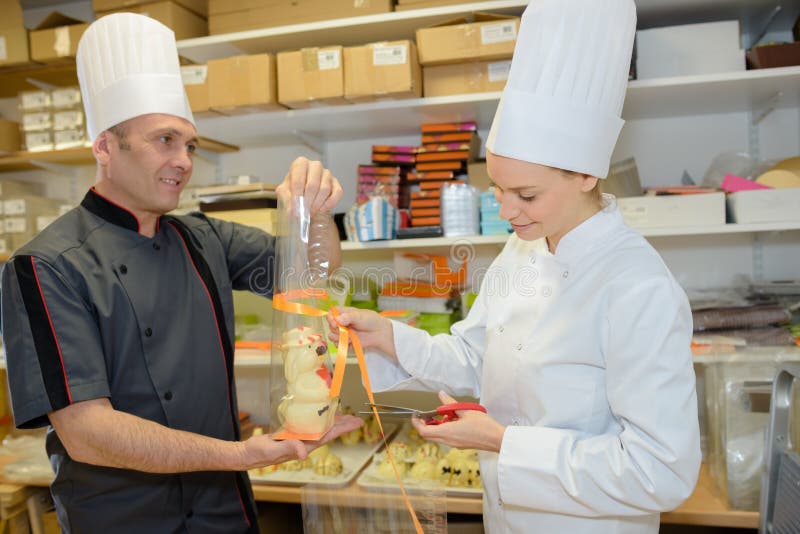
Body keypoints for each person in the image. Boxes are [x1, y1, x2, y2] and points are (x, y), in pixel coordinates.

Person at [327, 1, 701, 532]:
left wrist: (504, 442)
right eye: (497, 189)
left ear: (587, 176)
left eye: (526, 194)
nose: (506, 211)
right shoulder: (524, 247)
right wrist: (386, 337)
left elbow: (661, 472)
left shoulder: (639, 287)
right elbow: (475, 356)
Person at [0, 13, 360, 534]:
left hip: (222, 514)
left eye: (189, 145)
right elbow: (87, 433)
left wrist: (317, 211)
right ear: (105, 146)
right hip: (122, 521)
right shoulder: (47, 265)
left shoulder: (204, 238)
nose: (184, 160)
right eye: (165, 140)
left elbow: (311, 272)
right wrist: (241, 455)